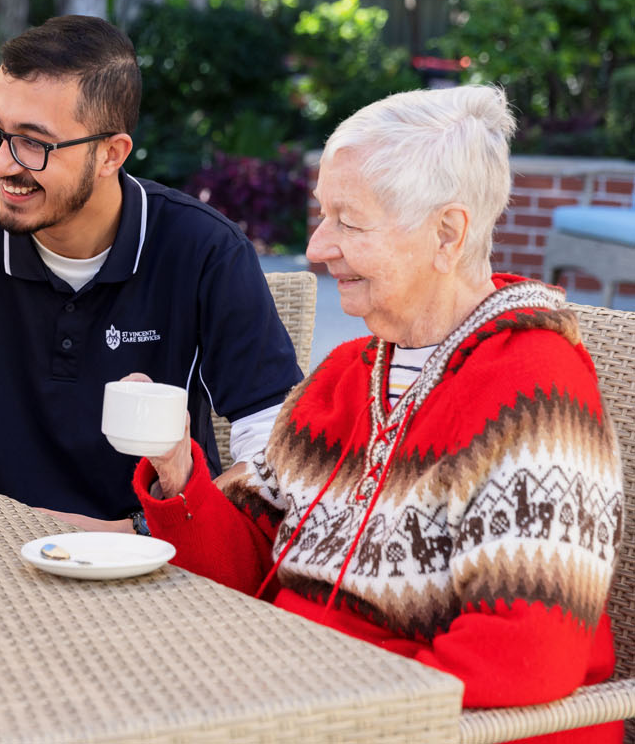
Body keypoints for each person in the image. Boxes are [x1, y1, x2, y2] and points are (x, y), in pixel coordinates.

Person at [133, 86, 621, 741]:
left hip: (424, 723)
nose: (316, 246)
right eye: (323, 216)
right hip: (300, 701)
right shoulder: (344, 375)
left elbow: (525, 652)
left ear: (447, 234)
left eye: (349, 222)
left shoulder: (534, 391)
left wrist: (311, 682)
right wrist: (175, 470)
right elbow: (249, 564)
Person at [0, 15, 303, 531]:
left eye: (33, 143)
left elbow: (275, 448)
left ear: (110, 154)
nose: (1, 162)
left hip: (158, 559)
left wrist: (134, 533)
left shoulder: (206, 250)